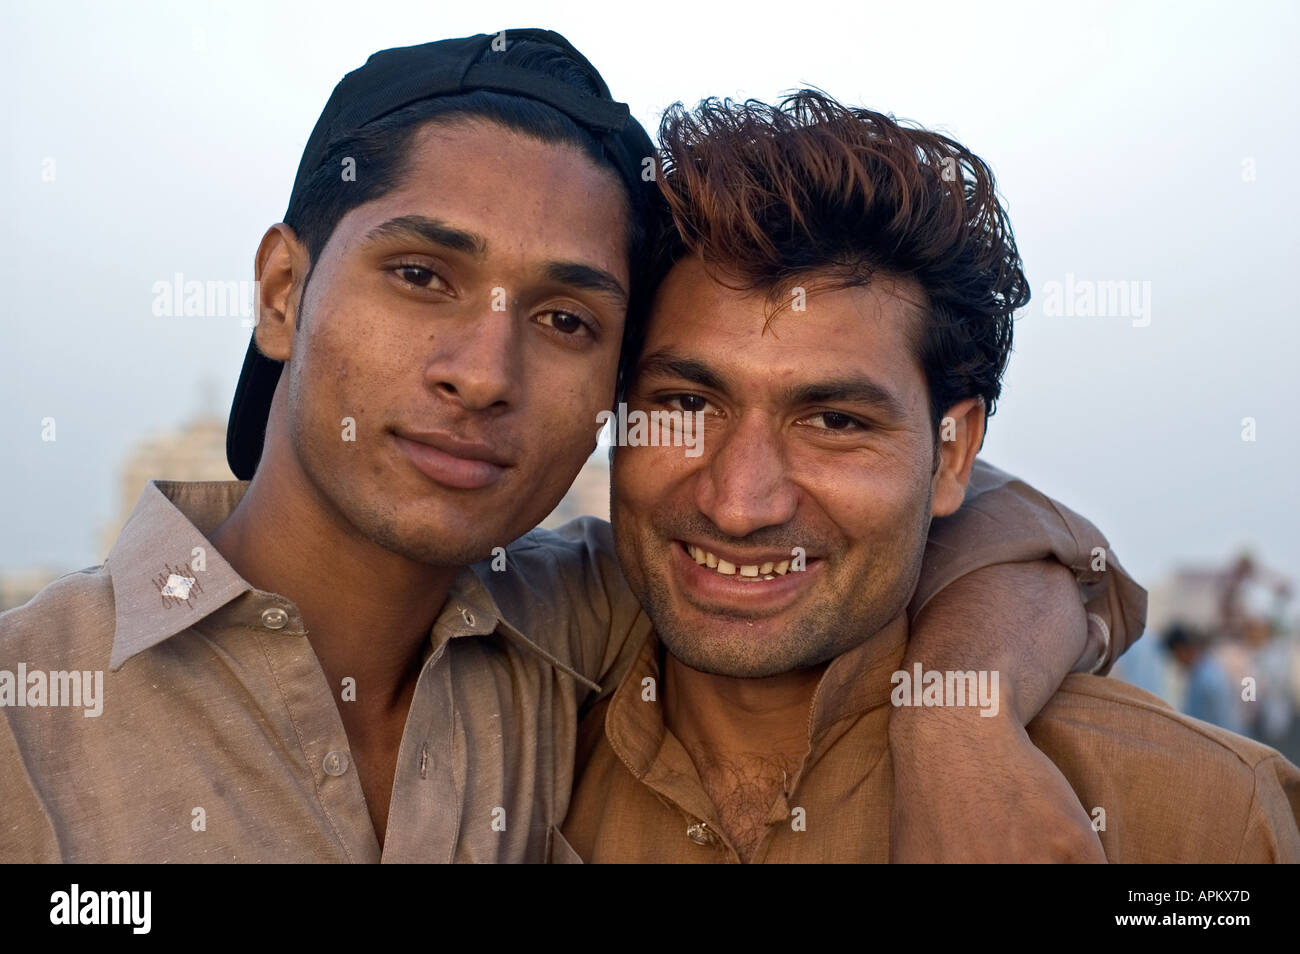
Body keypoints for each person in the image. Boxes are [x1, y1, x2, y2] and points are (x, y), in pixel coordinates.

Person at [1, 33, 1141, 863]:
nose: (482, 373)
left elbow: (963, 521)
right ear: (283, 291)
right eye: (420, 276)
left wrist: (956, 724)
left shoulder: (573, 618)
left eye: (564, 320)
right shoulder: (29, 715)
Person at [560, 91, 1300, 863]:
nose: (741, 503)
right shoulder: (521, 746)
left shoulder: (1193, 815)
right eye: (687, 404)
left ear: (953, 455)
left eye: (836, 422)